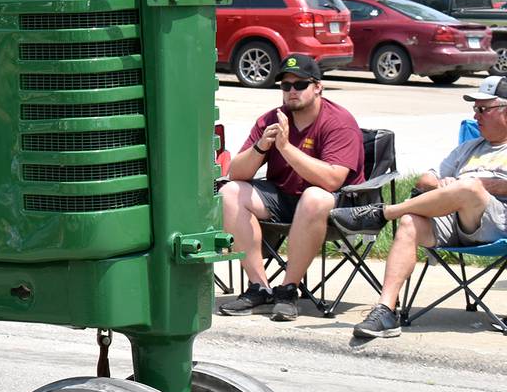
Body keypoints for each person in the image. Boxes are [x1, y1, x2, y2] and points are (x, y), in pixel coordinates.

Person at [332, 75, 507, 339]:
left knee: (469, 187)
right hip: (454, 218)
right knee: (409, 222)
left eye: (483, 109)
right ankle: (386, 310)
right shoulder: (469, 148)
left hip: (498, 224)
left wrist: (472, 185)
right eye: (474, 109)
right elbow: (424, 179)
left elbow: (480, 187)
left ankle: (382, 213)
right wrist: (446, 186)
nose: (476, 115)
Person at [217, 54, 366, 321]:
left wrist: (285, 148)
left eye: (300, 85)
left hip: (334, 207)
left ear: (318, 86)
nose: (292, 92)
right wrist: (262, 146)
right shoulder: (271, 120)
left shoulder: (338, 122)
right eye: (286, 86)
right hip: (284, 198)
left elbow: (332, 180)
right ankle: (259, 287)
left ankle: (288, 290)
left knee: (314, 197)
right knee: (230, 192)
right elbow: (236, 173)